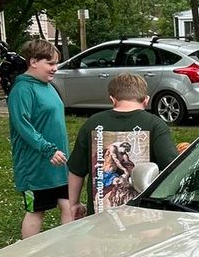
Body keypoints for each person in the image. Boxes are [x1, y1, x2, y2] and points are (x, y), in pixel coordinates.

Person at [67, 71, 178, 215]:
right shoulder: (155, 125)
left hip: (99, 217)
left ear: (112, 99)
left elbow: (76, 170)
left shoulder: (92, 123)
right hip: (143, 217)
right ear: (146, 100)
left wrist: (74, 203)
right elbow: (172, 168)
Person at [7, 39, 73, 239]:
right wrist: (47, 149)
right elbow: (22, 125)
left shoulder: (48, 86)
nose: (55, 68)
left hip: (58, 162)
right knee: (37, 210)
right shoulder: (22, 89)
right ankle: (30, 256)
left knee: (69, 205)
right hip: (36, 164)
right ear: (33, 62)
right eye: (50, 64)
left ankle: (69, 250)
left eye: (56, 63)